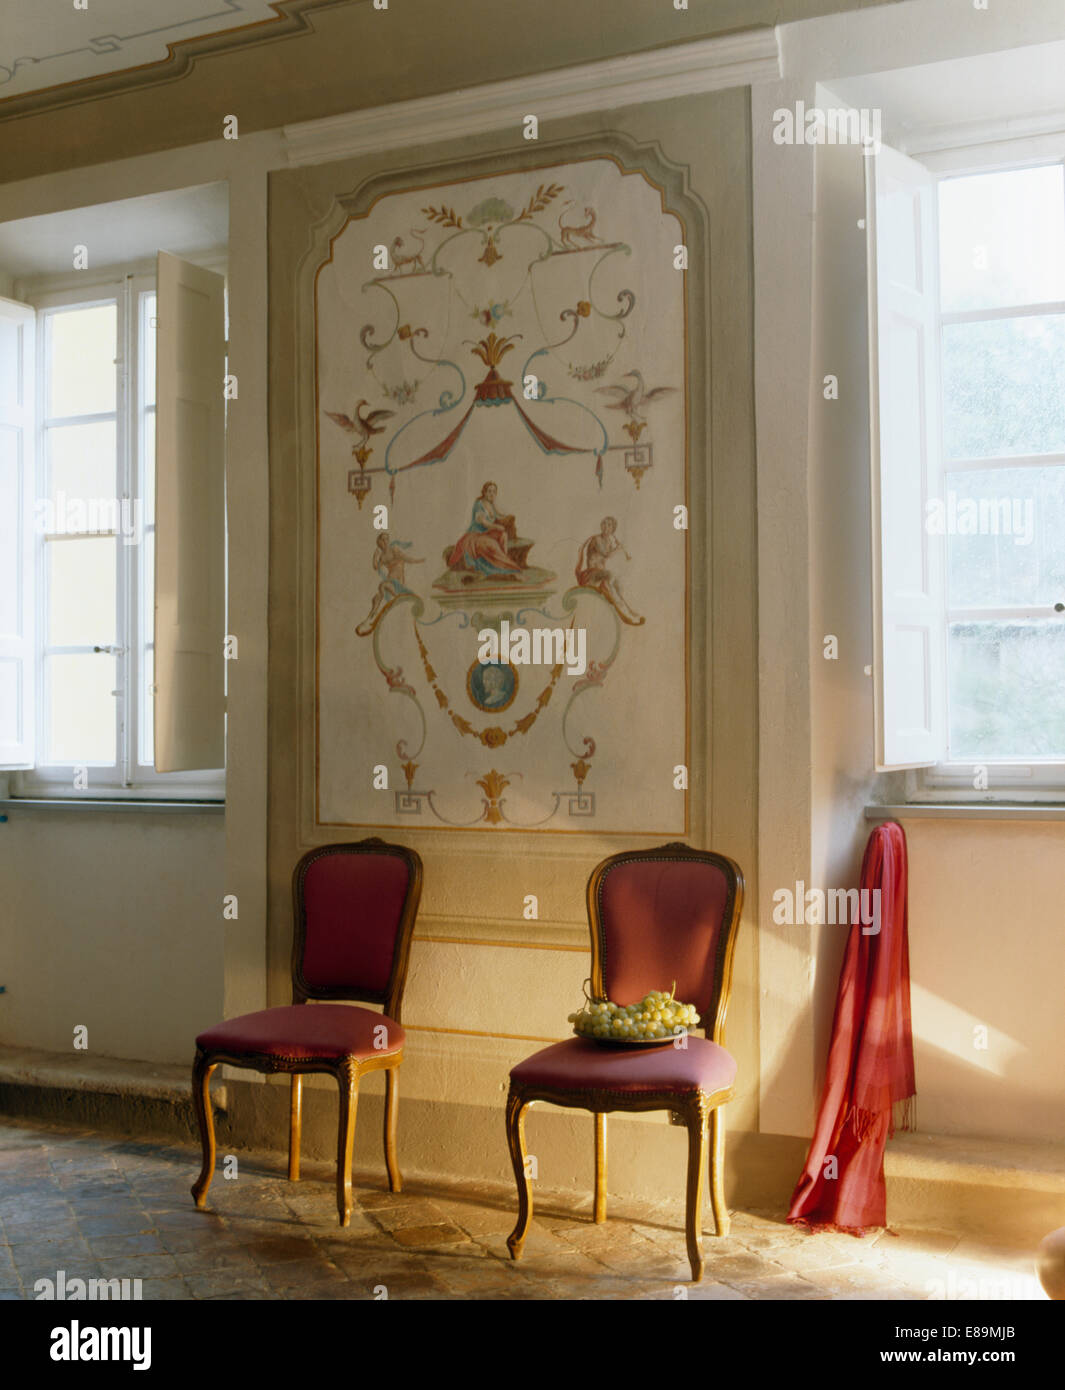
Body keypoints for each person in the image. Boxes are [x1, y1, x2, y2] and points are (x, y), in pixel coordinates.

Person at [575, 517, 644, 625]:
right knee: (610, 575)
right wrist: (619, 548)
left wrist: (618, 547)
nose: (606, 527)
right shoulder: (596, 539)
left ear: (613, 529)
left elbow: (609, 553)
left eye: (609, 525)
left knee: (617, 583)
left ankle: (628, 610)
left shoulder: (609, 540)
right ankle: (626, 615)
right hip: (590, 574)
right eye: (604, 524)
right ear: (601, 525)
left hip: (599, 575)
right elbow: (606, 554)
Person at [447, 482, 523, 576]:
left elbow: (501, 514)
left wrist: (504, 512)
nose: (492, 494)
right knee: (492, 544)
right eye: (489, 491)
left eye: (494, 492)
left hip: (486, 534)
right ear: (484, 492)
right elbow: (483, 522)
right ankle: (502, 566)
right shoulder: (479, 504)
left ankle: (503, 562)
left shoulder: (492, 505)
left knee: (503, 535)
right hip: (474, 536)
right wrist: (496, 527)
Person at [357, 532, 423, 634]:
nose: (385, 542)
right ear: (379, 542)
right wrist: (375, 556)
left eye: (386, 539)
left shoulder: (394, 550)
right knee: (376, 598)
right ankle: (369, 619)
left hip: (397, 583)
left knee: (382, 586)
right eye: (382, 540)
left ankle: (390, 604)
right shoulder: (382, 556)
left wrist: (419, 561)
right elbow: (375, 567)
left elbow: (407, 558)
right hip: (390, 581)